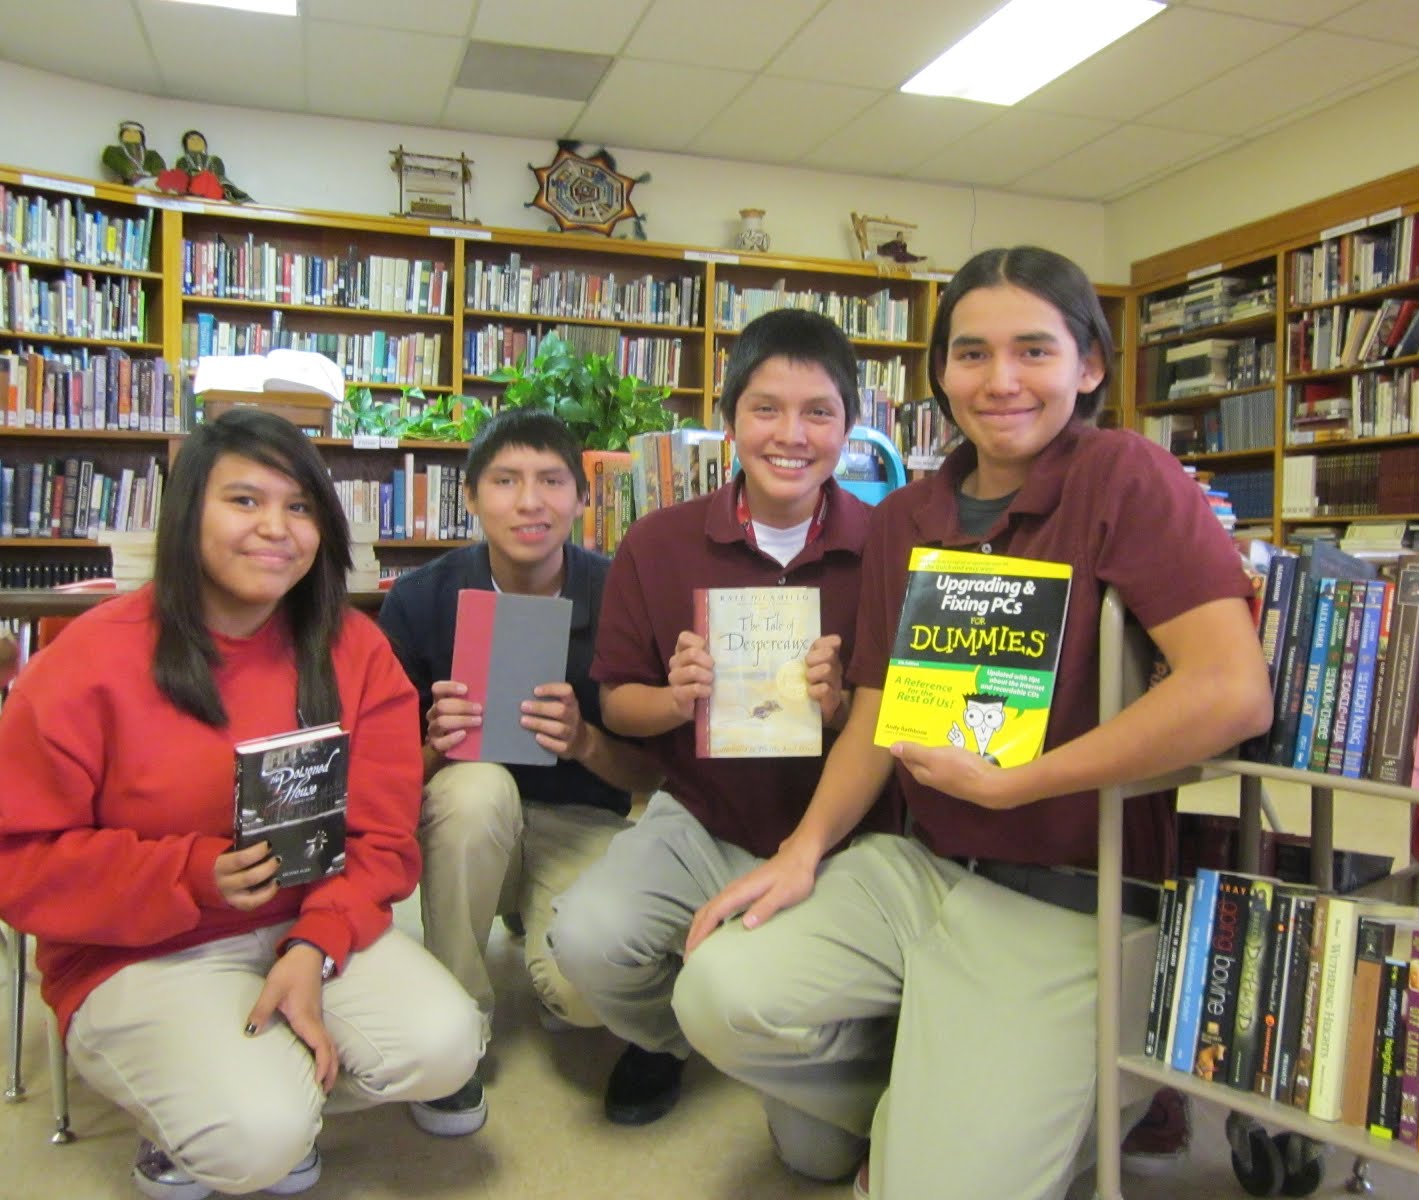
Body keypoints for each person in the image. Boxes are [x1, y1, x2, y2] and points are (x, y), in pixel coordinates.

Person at [677, 246, 1273, 1200]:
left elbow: (1231, 691)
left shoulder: (1126, 474)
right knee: (717, 990)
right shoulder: (910, 512)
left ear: (1089, 366)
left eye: (1034, 351)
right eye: (971, 354)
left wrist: (1018, 782)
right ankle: (919, 1099)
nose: (1000, 382)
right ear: (940, 375)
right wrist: (803, 849)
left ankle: (1020, 1111)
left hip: (1070, 891)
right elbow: (874, 705)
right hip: (920, 867)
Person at [0, 409, 485, 1199]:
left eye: (301, 506)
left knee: (448, 1046)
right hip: (138, 947)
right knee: (256, 1142)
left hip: (310, 922)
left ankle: (248, 1087)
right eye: (244, 501)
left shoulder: (353, 648)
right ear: (186, 517)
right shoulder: (92, 660)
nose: (276, 528)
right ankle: (210, 1112)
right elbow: (4, 855)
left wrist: (317, 944)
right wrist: (192, 873)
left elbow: (381, 835)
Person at [548, 308, 899, 1149]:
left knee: (816, 1157)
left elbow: (899, 723)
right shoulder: (660, 541)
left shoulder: (890, 543)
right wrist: (676, 698)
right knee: (587, 939)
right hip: (702, 814)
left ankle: (814, 1051)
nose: (791, 434)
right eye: (766, 408)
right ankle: (670, 1039)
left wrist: (845, 708)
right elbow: (614, 705)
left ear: (850, 428)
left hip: (841, 837)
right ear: (730, 416)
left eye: (818, 412)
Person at [376, 408, 662, 1131]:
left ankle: (537, 935)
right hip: (466, 822)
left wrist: (585, 741)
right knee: (476, 791)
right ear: (470, 497)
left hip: (579, 819)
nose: (529, 502)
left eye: (551, 481)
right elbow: (380, 788)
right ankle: (455, 1019)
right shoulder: (419, 601)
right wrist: (437, 744)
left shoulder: (619, 594)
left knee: (585, 999)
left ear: (582, 497)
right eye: (505, 481)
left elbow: (650, 777)